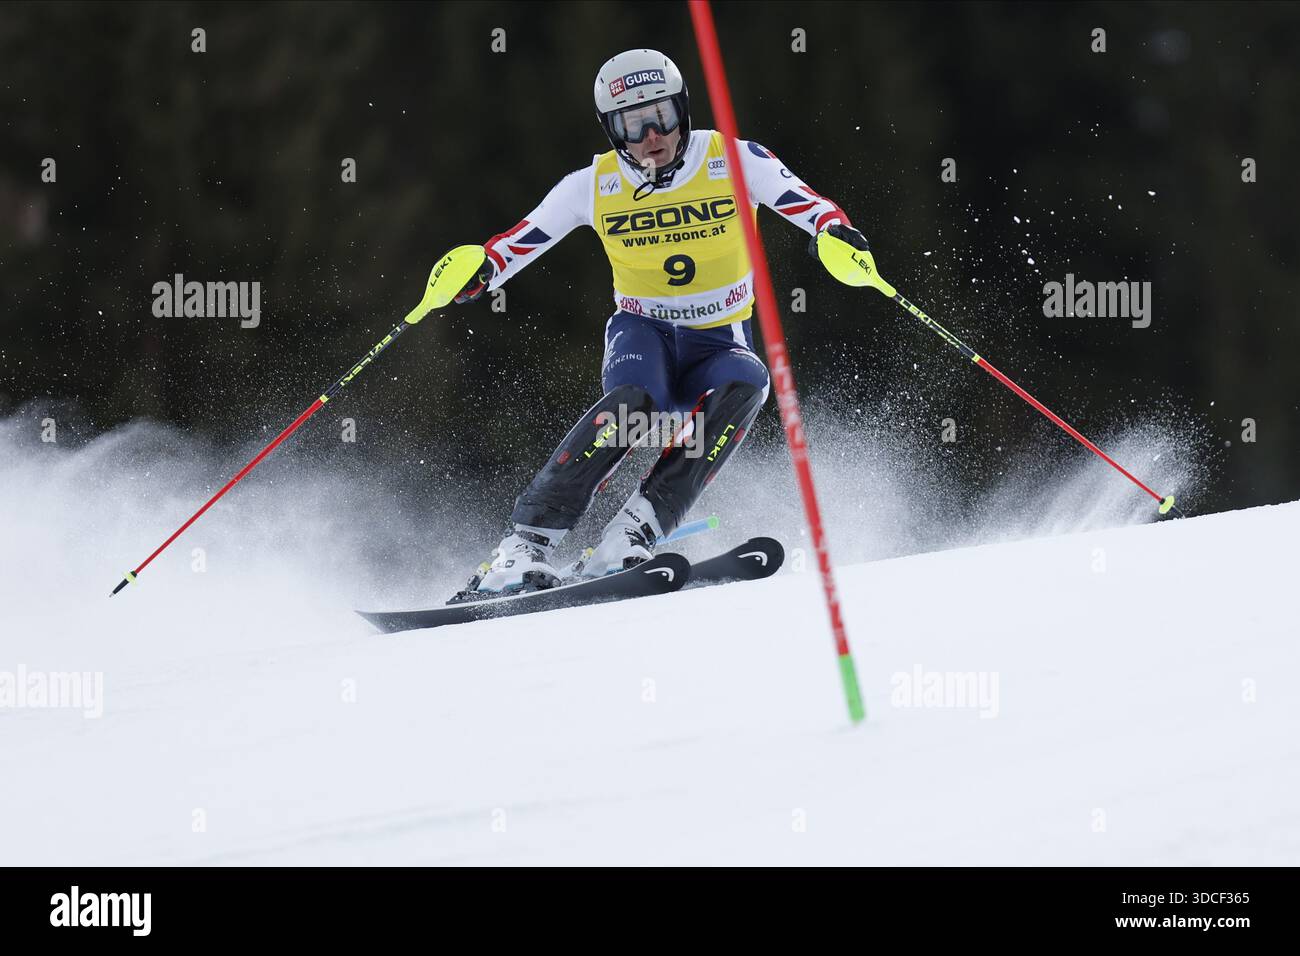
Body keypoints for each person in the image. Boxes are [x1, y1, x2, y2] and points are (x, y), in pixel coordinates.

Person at [451, 48, 869, 599]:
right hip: (643, 333)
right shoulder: (593, 185)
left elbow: (809, 205)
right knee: (635, 401)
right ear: (612, 129)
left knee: (749, 382)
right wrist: (483, 268)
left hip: (717, 339)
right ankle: (524, 546)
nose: (652, 135)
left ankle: (631, 534)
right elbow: (522, 239)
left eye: (663, 116)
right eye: (633, 123)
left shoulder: (734, 159)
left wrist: (832, 233)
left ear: (682, 111)